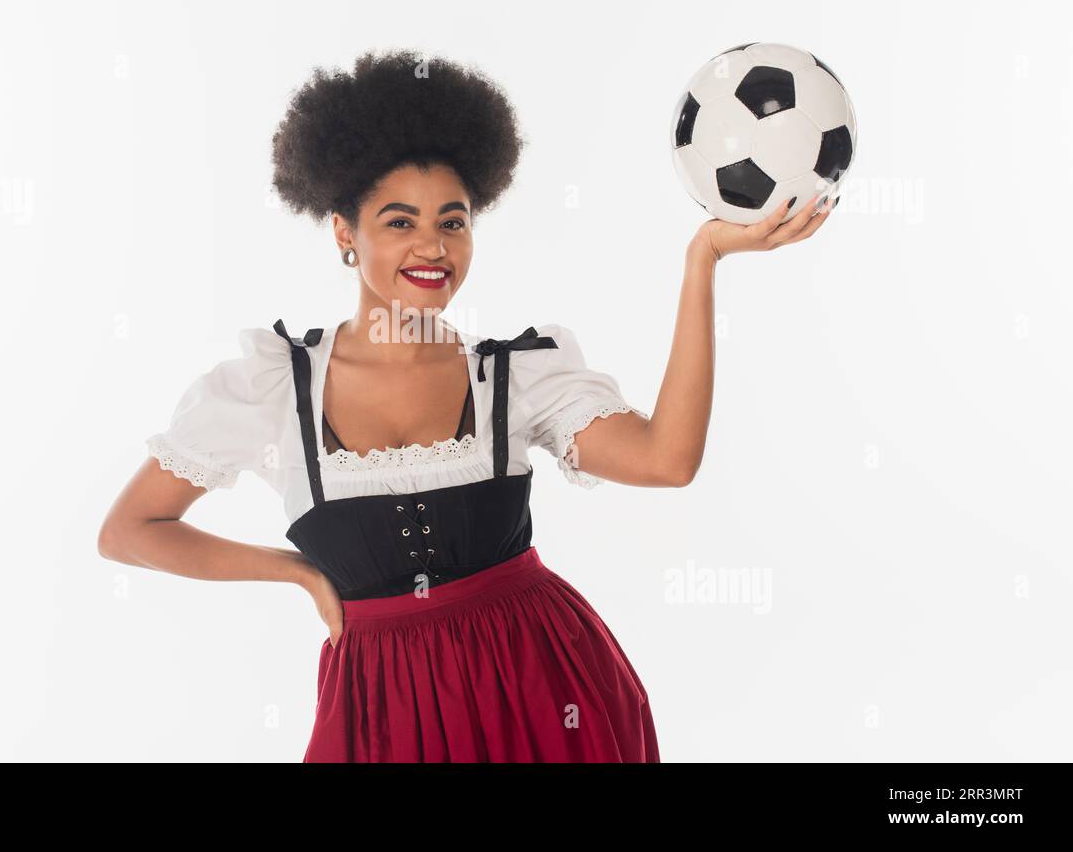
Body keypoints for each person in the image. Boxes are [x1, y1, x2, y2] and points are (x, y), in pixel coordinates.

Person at [98, 49, 832, 762]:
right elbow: (131, 529)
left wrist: (702, 260)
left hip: (546, 691)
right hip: (382, 716)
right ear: (344, 234)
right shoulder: (271, 386)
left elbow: (669, 461)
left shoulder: (514, 375)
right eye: (399, 221)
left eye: (453, 220)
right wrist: (297, 572)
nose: (433, 246)